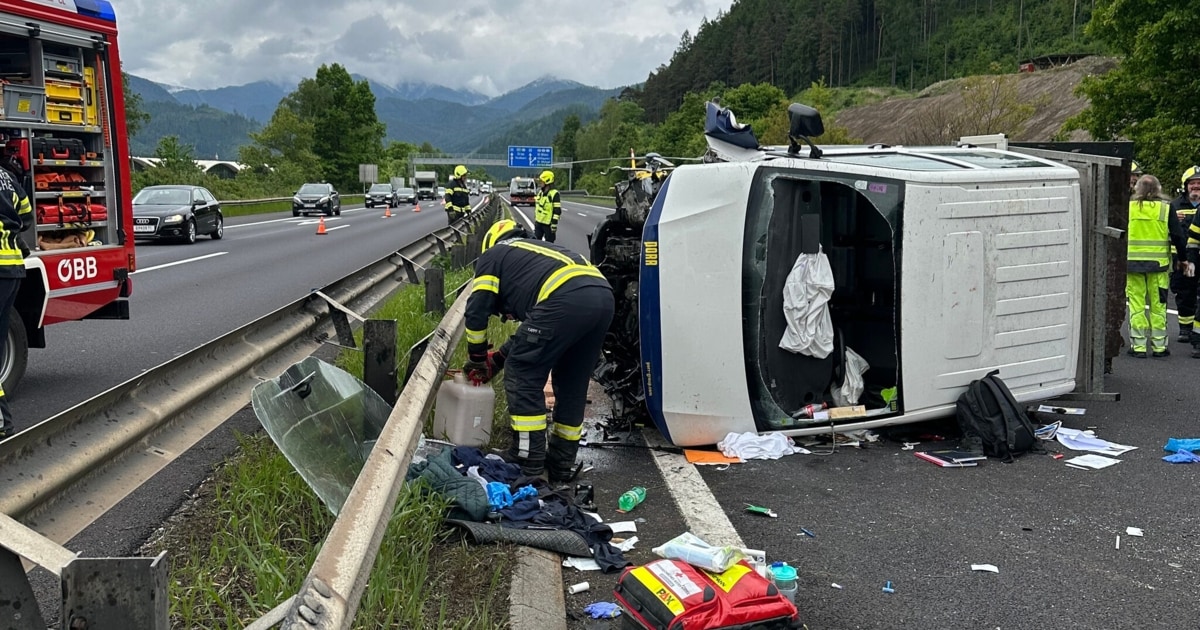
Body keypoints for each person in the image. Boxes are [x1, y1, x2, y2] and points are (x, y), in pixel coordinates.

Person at [463, 219, 614, 483]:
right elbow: (530, 334)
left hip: (565, 297)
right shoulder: (536, 257)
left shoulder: (493, 255)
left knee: (522, 372)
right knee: (572, 383)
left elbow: (476, 310)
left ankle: (527, 459)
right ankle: (561, 464)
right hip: (603, 297)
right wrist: (496, 360)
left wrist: (477, 359)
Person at [1127, 175, 1187, 358]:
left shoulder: (1129, 207)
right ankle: (1159, 347)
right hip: (1159, 266)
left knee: (1136, 304)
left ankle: (1138, 347)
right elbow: (1177, 236)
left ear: (1137, 189)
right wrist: (1183, 258)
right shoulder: (1166, 207)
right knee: (1158, 305)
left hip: (1133, 264)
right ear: (1159, 189)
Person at [0, 163, 31, 438]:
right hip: (12, 270)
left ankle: (2, 422)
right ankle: (3, 423)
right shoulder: (7, 177)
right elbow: (26, 216)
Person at [1170, 166, 1200, 343]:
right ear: (1185, 185)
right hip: (1183, 258)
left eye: (1199, 183)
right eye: (1192, 183)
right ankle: (1185, 328)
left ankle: (1196, 331)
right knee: (1185, 291)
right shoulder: (1174, 206)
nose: (1196, 186)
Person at [533, 170, 561, 242]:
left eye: (542, 182)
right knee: (536, 242)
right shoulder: (540, 193)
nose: (540, 183)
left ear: (547, 182)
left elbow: (557, 211)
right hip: (539, 223)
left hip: (548, 224)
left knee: (549, 244)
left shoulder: (554, 194)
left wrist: (554, 224)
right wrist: (536, 221)